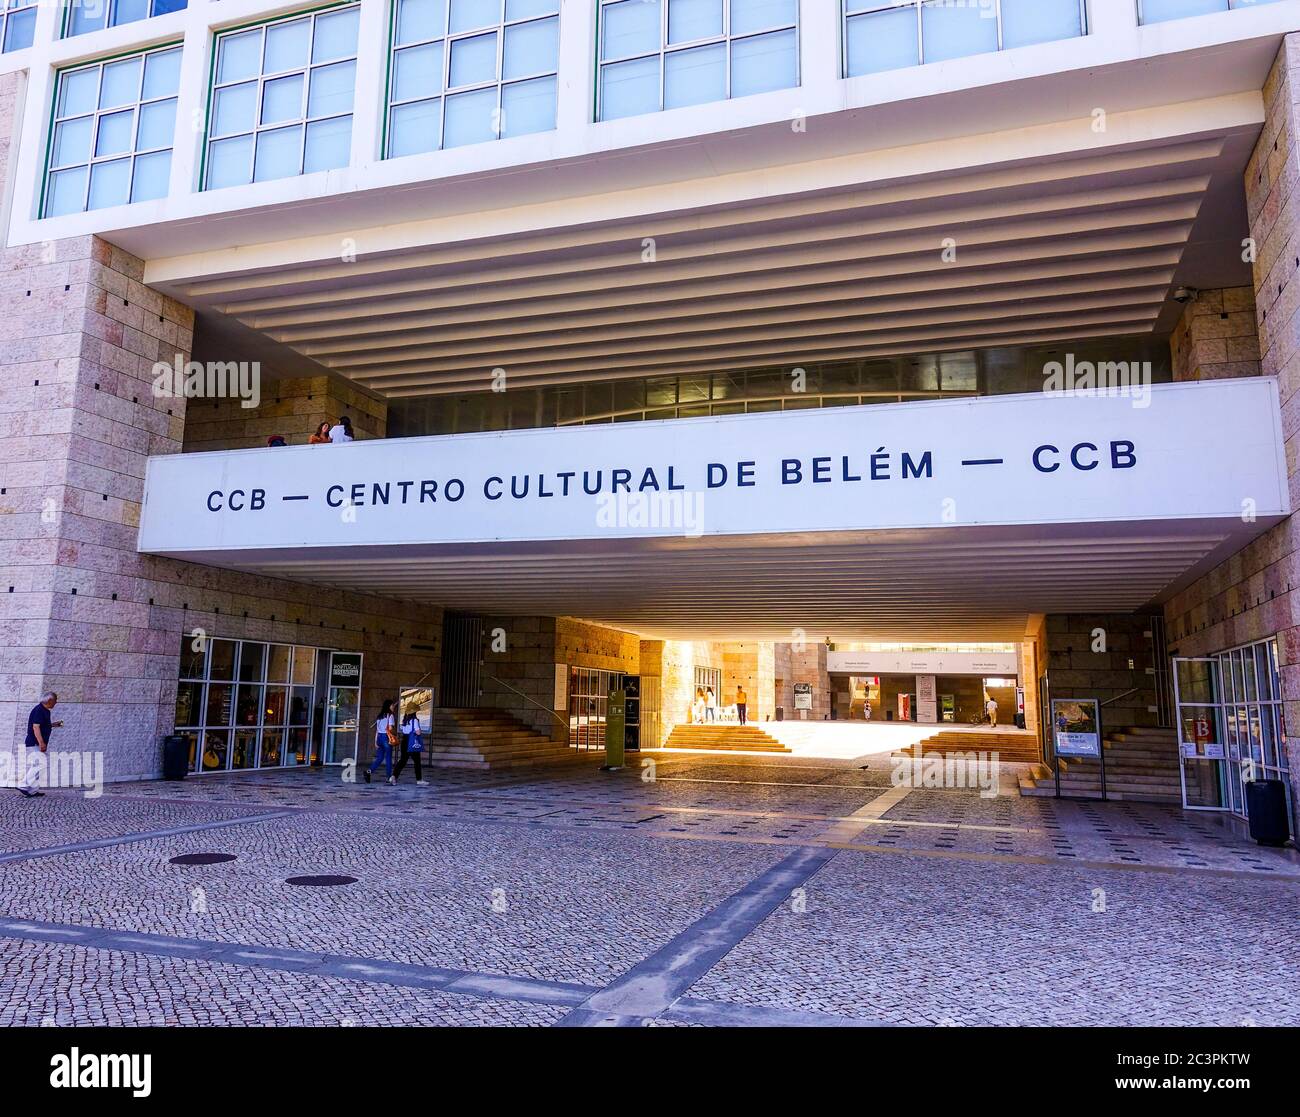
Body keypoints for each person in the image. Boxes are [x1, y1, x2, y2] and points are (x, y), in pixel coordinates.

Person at [19, 692, 61, 798]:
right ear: (50, 700)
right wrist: (41, 743)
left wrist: (53, 724)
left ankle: (32, 790)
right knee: (40, 764)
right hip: (34, 742)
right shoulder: (39, 710)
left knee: (39, 765)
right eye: (55, 700)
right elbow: (36, 727)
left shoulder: (45, 711)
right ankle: (23, 785)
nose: (56, 703)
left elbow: (42, 725)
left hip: (37, 742)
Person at [392, 706, 428, 786]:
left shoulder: (405, 720)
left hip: (404, 741)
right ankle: (419, 779)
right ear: (414, 712)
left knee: (402, 760)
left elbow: (404, 731)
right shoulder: (415, 720)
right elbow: (418, 732)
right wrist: (419, 730)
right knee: (417, 761)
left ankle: (394, 776)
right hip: (412, 742)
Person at [364, 698, 396, 784]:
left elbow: (377, 730)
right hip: (386, 738)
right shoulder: (390, 715)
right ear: (388, 706)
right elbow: (390, 728)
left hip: (379, 738)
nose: (393, 706)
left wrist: (375, 742)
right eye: (392, 705)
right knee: (388, 758)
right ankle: (389, 777)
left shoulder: (379, 716)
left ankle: (369, 771)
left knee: (380, 758)